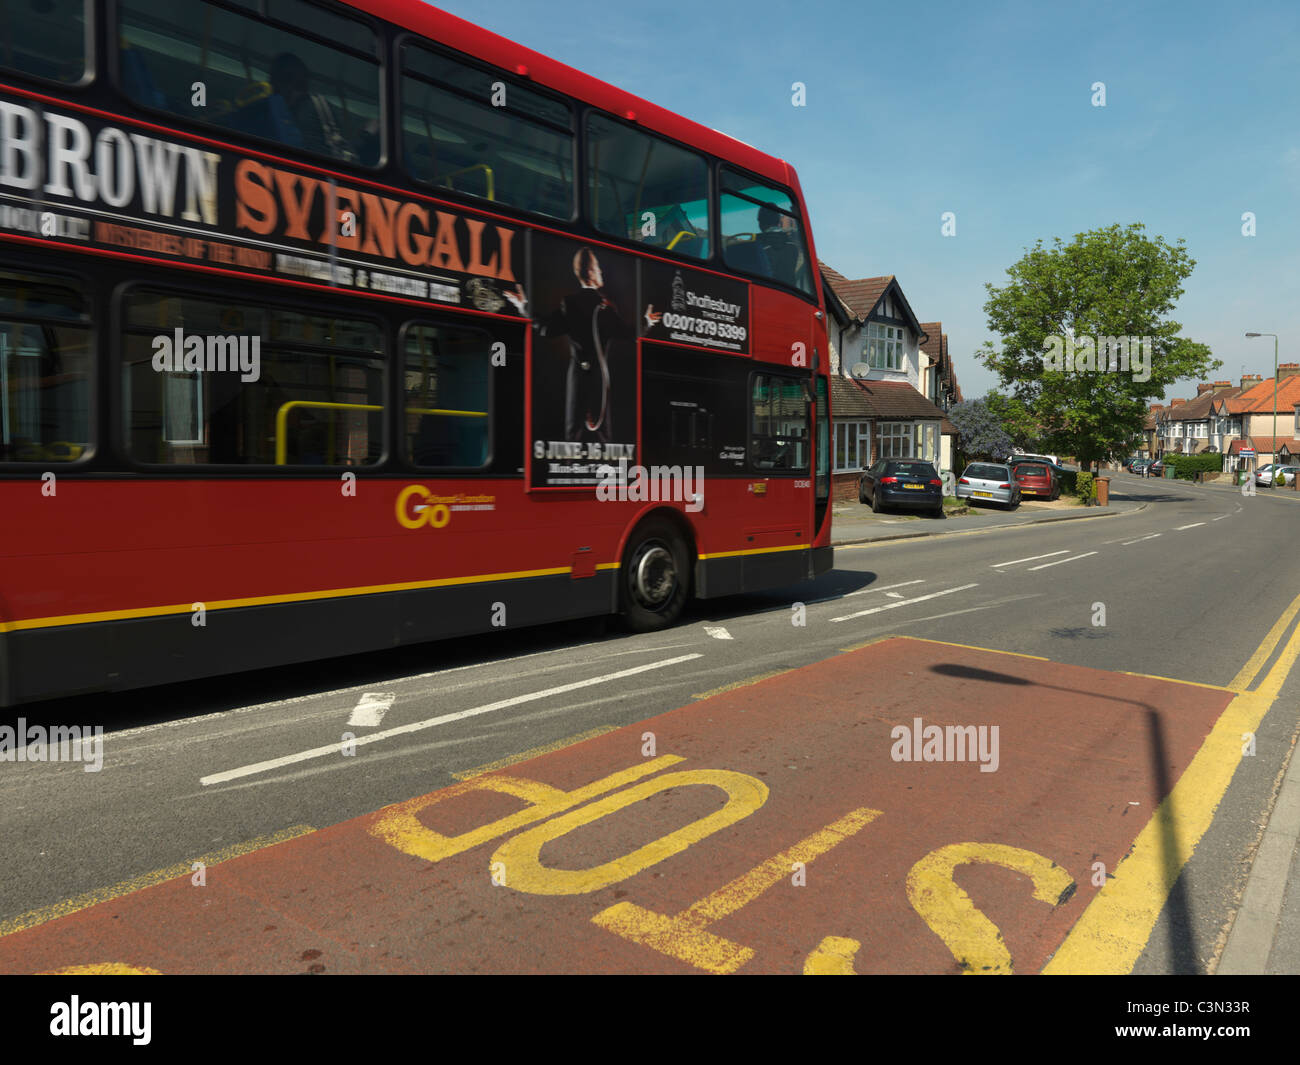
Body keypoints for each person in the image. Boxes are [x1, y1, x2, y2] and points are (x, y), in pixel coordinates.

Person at [505, 248, 649, 443]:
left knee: (572, 431)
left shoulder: (570, 303)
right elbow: (629, 334)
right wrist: (647, 322)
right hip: (600, 374)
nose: (601, 272)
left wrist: (524, 308)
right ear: (590, 273)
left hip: (577, 374)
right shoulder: (605, 305)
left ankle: (569, 465)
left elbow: (547, 329)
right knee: (603, 430)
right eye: (597, 268)